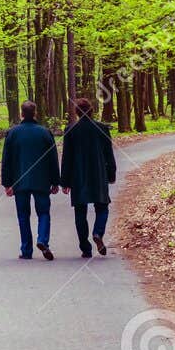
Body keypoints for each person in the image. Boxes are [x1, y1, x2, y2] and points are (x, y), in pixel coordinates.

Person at [1, 99, 61, 260]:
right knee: (43, 213)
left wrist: (7, 183)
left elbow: (6, 160)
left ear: (21, 113)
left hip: (19, 181)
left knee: (23, 215)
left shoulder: (12, 133)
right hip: (42, 181)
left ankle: (26, 250)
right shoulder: (44, 133)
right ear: (35, 113)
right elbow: (53, 159)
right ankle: (42, 240)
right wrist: (56, 181)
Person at [59, 96, 116, 257]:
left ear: (77, 112)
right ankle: (98, 233)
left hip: (78, 176)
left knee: (80, 212)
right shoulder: (102, 128)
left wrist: (65, 181)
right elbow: (108, 154)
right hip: (98, 173)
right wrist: (111, 173)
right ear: (91, 111)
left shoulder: (71, 130)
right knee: (102, 207)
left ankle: (85, 248)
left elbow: (67, 157)